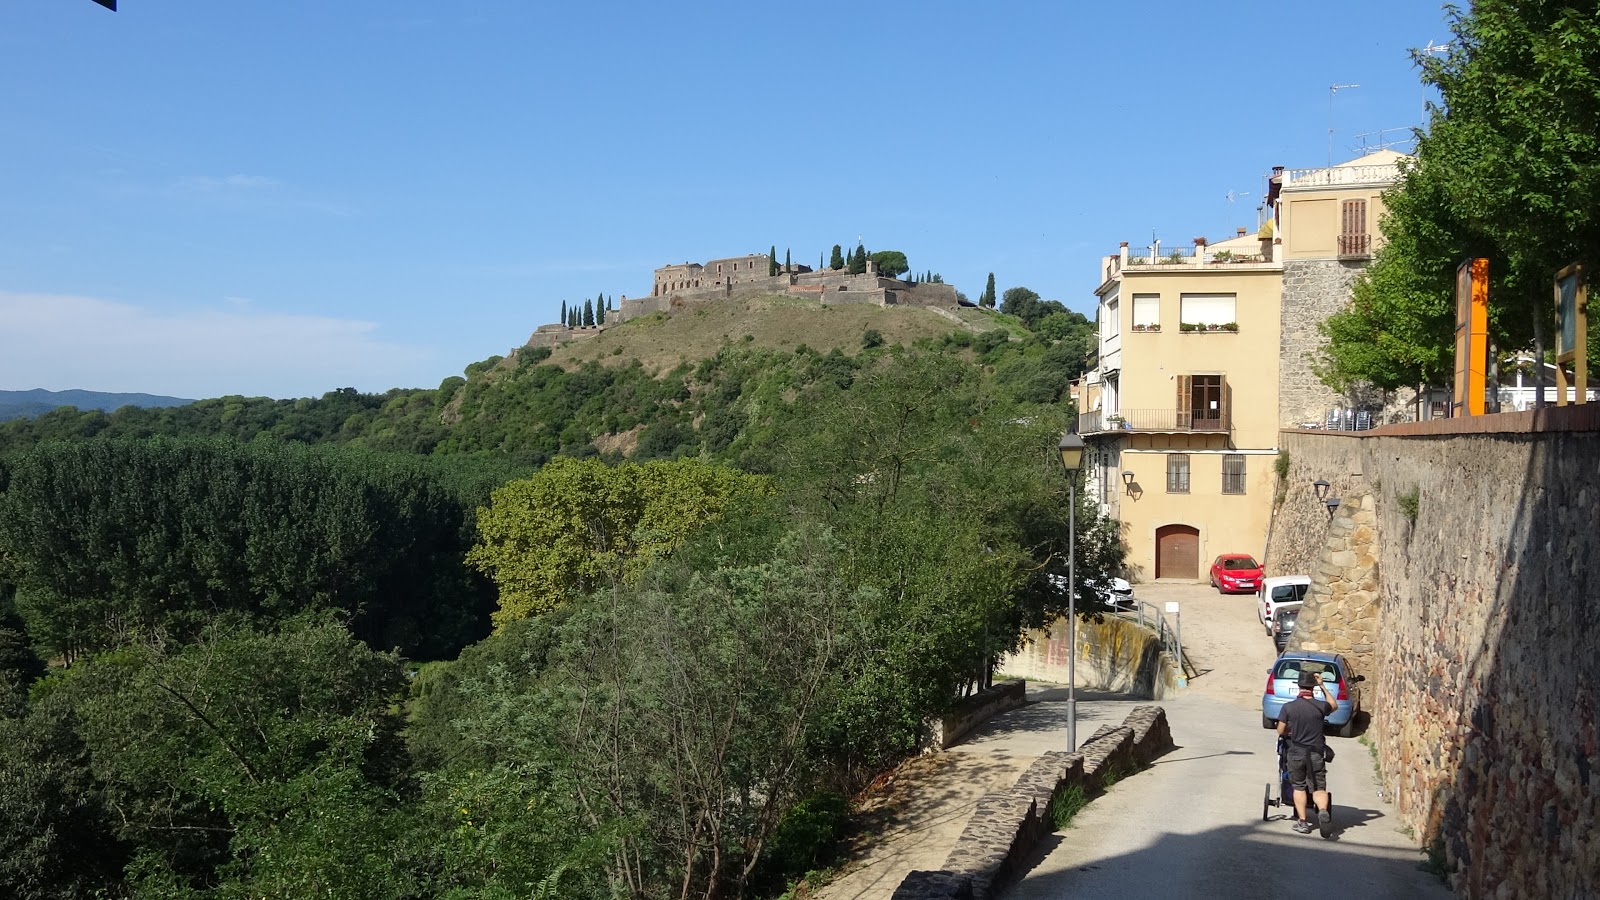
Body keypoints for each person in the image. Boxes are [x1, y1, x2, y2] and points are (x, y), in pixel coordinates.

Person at [1277, 669, 1336, 835]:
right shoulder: (1320, 706)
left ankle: (1302, 822)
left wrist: (1291, 728)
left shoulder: (1289, 707)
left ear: (1299, 686)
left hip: (1296, 752)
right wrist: (1323, 686)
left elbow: (1280, 730)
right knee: (1318, 787)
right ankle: (1323, 810)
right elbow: (1334, 705)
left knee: (1299, 786)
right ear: (1312, 687)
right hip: (1316, 753)